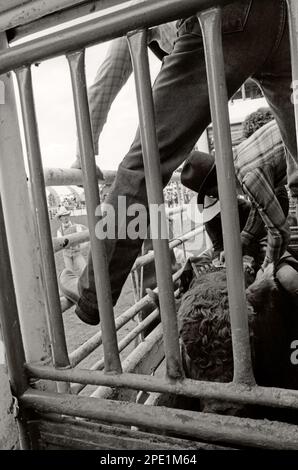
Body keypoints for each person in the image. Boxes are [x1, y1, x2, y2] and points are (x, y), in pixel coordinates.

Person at [73, 0, 298, 325]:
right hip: (282, 17)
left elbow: (109, 77)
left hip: (222, 16)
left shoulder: (140, 9)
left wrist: (85, 147)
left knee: (144, 164)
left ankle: (93, 292)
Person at [71, 22, 178, 171]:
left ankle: (124, 193)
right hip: (196, 58)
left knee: (144, 157)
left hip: (194, 58)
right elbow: (106, 84)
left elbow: (105, 85)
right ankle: (123, 194)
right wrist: (83, 156)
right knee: (146, 154)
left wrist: (83, 155)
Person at [56, 206, 88, 276]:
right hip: (66, 255)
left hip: (77, 253)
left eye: (66, 215)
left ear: (68, 216)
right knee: (70, 274)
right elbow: (61, 245)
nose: (65, 218)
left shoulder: (76, 226)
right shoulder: (59, 231)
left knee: (84, 269)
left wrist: (79, 247)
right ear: (60, 218)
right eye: (63, 216)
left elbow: (82, 240)